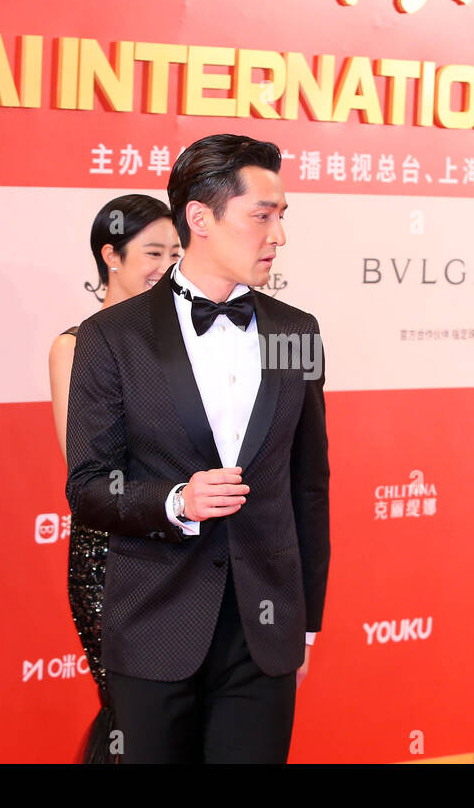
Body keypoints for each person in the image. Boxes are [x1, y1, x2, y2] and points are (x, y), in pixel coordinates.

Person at [65, 133, 330, 763]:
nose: (278, 235)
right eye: (262, 215)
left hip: (265, 629)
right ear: (201, 217)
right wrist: (177, 501)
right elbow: (88, 486)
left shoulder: (297, 330)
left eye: (282, 216)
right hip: (155, 622)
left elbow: (309, 483)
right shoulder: (112, 337)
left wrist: (306, 622)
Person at [48, 194, 182, 763]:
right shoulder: (76, 346)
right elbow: (88, 473)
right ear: (111, 256)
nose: (167, 267)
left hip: (187, 551)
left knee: (178, 720)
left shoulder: (184, 342)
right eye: (153, 252)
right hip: (114, 558)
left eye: (177, 253)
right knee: (131, 716)